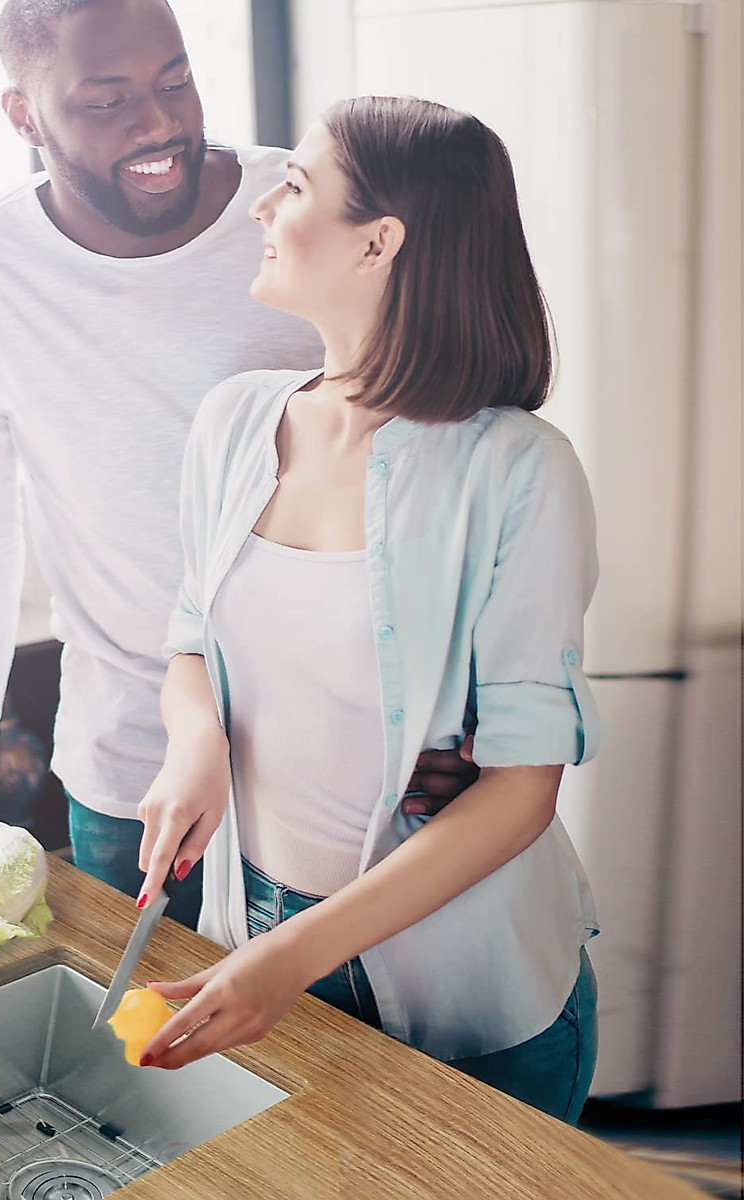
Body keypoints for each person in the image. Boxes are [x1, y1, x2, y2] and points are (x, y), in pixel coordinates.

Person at [0, 0, 475, 930]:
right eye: (108, 98)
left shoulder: (296, 219)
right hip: (135, 766)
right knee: (154, 1057)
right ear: (23, 115)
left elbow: (443, 460)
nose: (159, 121)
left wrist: (464, 704)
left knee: (362, 1066)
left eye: (174, 80)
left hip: (351, 760)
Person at [134, 96, 602, 1123]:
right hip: (250, 933)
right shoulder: (233, 423)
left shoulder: (519, 472)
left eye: (297, 185)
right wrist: (194, 741)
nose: (264, 202)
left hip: (461, 989)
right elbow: (187, 647)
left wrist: (291, 959)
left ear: (379, 242)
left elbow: (522, 792)